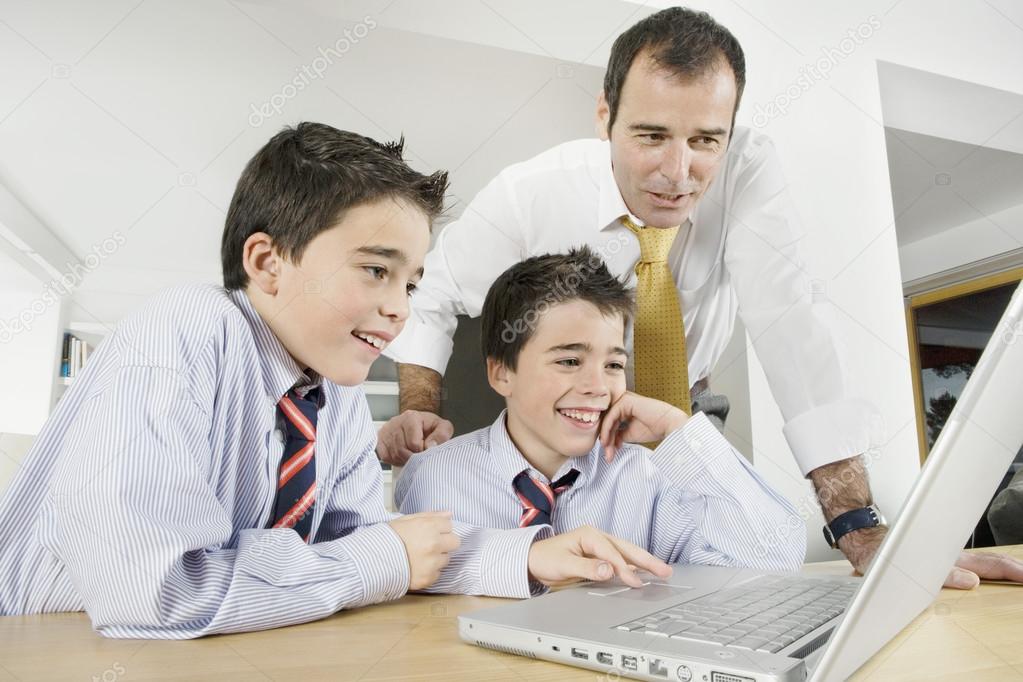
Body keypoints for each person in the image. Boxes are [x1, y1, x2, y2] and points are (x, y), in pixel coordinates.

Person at [377, 7, 1023, 589]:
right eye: (651, 135)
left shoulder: (748, 170)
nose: (677, 174)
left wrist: (857, 527)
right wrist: (418, 409)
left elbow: (789, 326)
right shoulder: (529, 193)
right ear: (604, 116)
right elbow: (431, 295)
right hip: (530, 398)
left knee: (702, 563)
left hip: (678, 405)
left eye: (705, 141)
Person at [0, 123, 671, 638]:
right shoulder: (183, 332)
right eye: (376, 271)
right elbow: (154, 593)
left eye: (411, 282)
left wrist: (526, 557)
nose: (400, 308)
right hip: (50, 647)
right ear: (267, 262)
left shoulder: (333, 390)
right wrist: (371, 561)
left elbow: (369, 544)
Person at [396, 248, 806, 572]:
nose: (597, 387)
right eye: (569, 361)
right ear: (502, 373)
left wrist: (681, 431)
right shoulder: (435, 476)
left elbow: (775, 558)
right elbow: (420, 574)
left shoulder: (646, 478)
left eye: (613, 365)